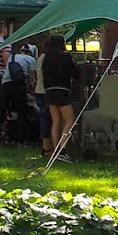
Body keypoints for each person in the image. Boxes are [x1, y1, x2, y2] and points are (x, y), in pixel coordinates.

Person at [39, 34, 80, 162]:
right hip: (62, 90)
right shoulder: (65, 56)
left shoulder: (46, 58)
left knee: (56, 121)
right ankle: (62, 149)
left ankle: (55, 149)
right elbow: (75, 73)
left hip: (50, 91)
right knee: (69, 121)